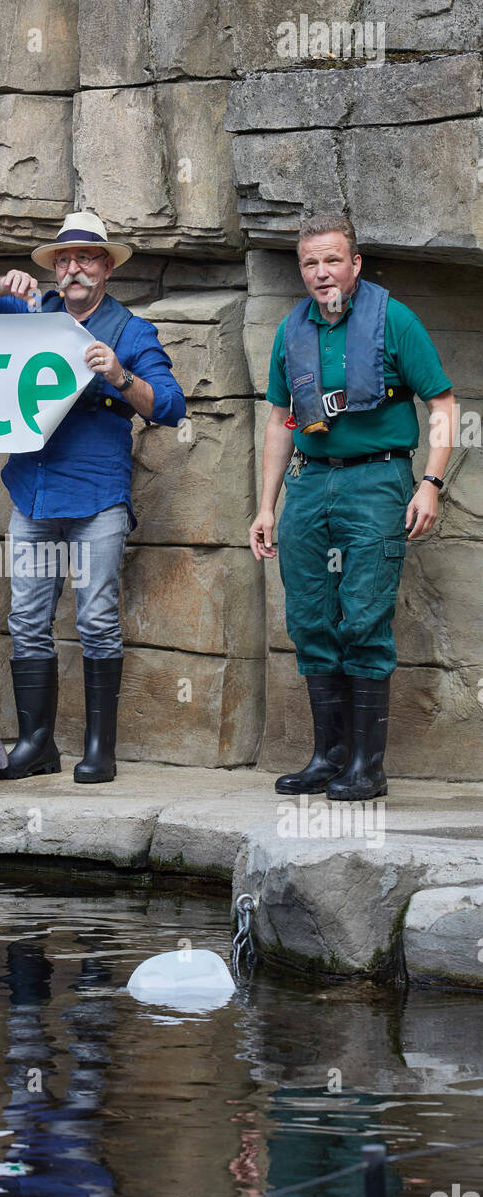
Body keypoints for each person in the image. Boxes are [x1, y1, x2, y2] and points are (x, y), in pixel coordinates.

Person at [0, 210, 186, 783]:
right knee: (27, 618)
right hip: (33, 493)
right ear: (56, 268)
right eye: (65, 259)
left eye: (86, 257)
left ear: (106, 268)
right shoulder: (33, 311)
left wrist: (121, 376)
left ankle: (99, 749)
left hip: (98, 496)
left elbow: (172, 406)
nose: (74, 267)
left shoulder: (129, 330)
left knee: (97, 618)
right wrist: (3, 282)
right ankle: (37, 744)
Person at [249, 215, 456, 800]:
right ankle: (327, 757)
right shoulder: (292, 330)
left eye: (333, 260)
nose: (322, 272)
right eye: (310, 263)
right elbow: (278, 421)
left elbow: (442, 401)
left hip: (378, 479)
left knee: (363, 616)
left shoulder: (393, 319)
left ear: (356, 264)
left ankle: (367, 767)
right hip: (309, 484)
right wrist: (267, 506)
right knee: (310, 617)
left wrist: (432, 482)